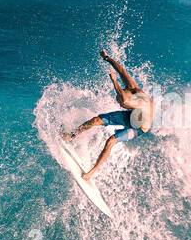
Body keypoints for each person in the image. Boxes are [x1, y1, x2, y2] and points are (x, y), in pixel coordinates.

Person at [66, 50, 155, 180]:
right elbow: (122, 70)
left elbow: (124, 100)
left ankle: (91, 173)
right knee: (96, 120)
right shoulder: (133, 88)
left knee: (111, 141)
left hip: (138, 127)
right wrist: (107, 58)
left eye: (120, 103)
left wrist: (114, 81)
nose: (119, 104)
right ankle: (71, 135)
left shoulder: (142, 103)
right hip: (131, 116)